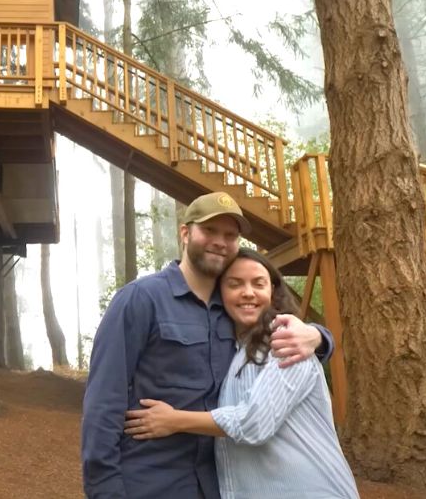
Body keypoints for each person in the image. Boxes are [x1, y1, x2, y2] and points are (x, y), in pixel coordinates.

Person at [81, 192, 334, 498]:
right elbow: (103, 402)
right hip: (150, 483)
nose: (220, 241)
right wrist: (104, 490)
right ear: (185, 233)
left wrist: (319, 337)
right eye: (209, 230)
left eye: (230, 235)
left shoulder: (234, 310)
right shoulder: (141, 299)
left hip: (217, 486)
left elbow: (279, 331)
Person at [123, 248, 358, 499]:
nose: (248, 292)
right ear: (219, 294)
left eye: (259, 283)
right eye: (235, 284)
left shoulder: (288, 342)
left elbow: (254, 423)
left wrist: (173, 420)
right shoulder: (232, 349)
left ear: (274, 292)